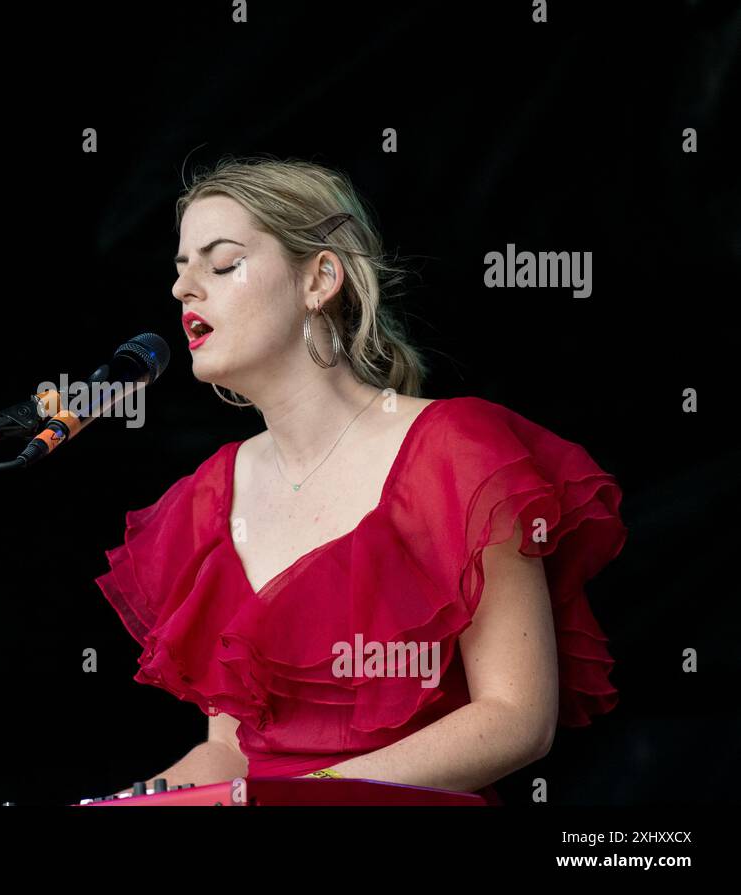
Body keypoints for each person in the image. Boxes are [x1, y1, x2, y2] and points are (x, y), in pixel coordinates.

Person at [96, 156, 626, 803]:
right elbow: (231, 748)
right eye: (180, 268)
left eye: (221, 261)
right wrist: (136, 798)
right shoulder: (210, 497)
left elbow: (516, 715)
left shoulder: (452, 451)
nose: (183, 289)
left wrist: (313, 793)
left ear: (319, 278)